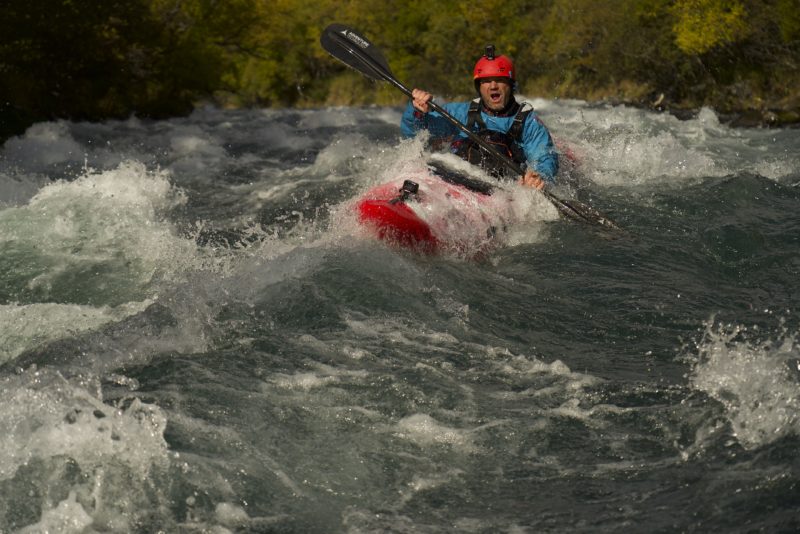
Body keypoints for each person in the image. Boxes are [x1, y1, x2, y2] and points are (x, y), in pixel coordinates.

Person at [400, 45, 558, 190]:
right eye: (486, 81)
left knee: (494, 141)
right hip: (455, 178)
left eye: (500, 80)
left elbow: (544, 156)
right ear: (479, 87)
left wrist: (538, 176)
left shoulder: (527, 122)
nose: (493, 86)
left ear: (511, 85)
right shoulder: (461, 113)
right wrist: (417, 111)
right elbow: (415, 134)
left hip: (500, 189)